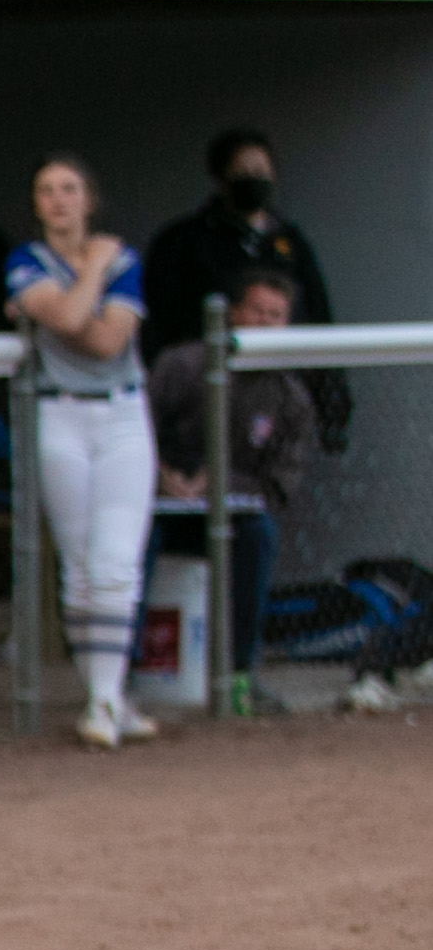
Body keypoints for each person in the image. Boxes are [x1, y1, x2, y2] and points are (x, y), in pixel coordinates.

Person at [6, 154, 156, 751]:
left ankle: (105, 698)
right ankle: (103, 698)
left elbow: (106, 339)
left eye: (69, 189)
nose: (58, 201)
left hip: (122, 412)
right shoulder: (27, 260)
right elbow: (72, 316)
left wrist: (76, 298)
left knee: (117, 560)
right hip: (58, 411)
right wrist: (92, 269)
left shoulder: (127, 259)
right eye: (46, 190)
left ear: (89, 199)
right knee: (80, 563)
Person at [145, 271, 315, 713]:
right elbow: (133, 431)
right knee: (133, 537)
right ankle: (119, 679)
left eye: (275, 317)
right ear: (235, 312)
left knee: (260, 535)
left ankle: (239, 674)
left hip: (229, 517)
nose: (264, 323)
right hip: (160, 507)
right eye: (257, 311)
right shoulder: (180, 365)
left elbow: (280, 486)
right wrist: (161, 475)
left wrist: (219, 484)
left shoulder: (290, 397)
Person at [141, 127, 345, 450]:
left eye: (262, 172)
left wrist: (333, 400)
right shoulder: (185, 242)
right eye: (243, 172)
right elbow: (159, 319)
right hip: (205, 385)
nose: (254, 179)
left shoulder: (289, 243)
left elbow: (319, 314)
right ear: (220, 178)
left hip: (276, 383)